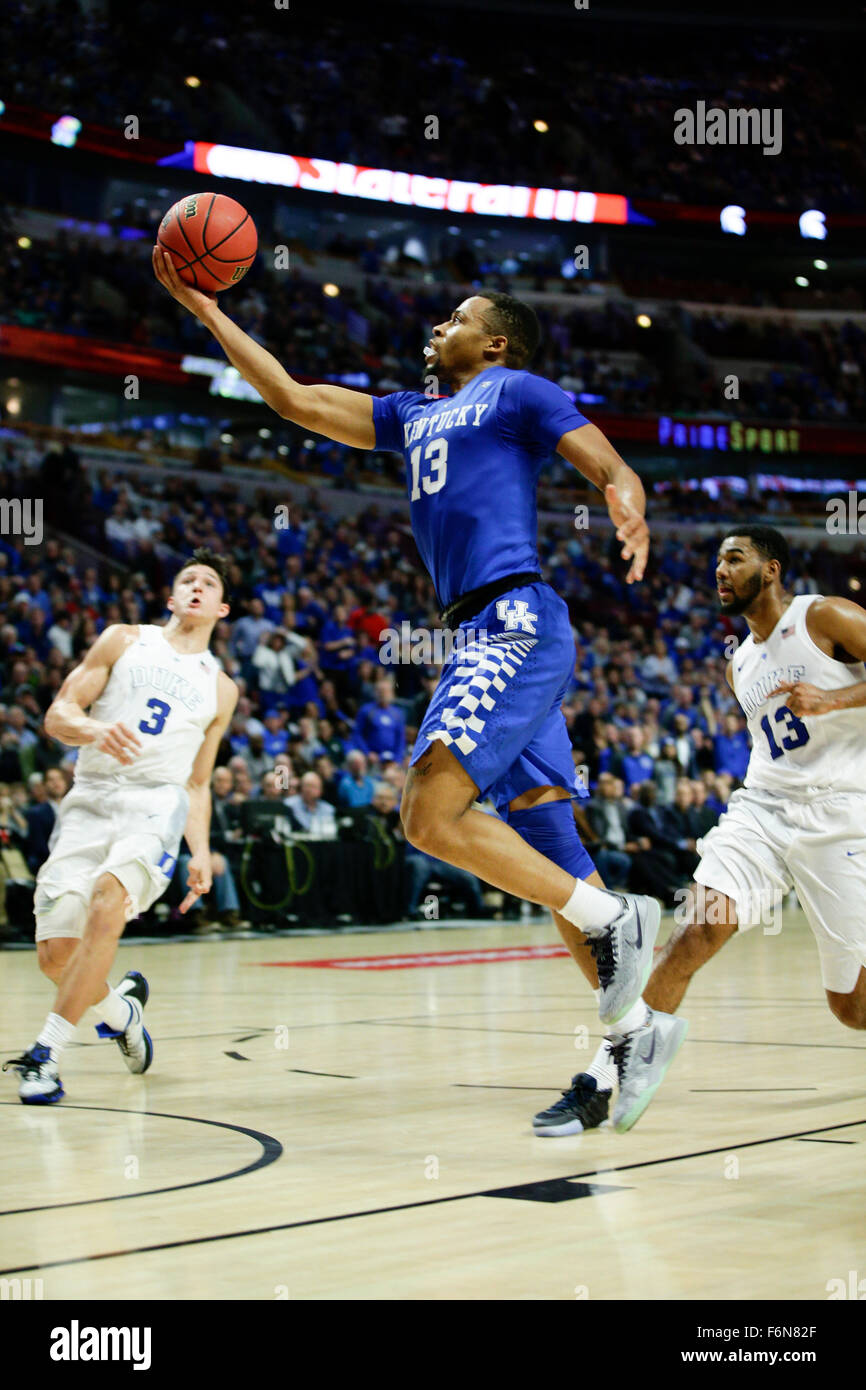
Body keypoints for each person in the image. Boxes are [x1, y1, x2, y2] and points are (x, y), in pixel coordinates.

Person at [153, 256, 685, 1130]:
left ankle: (612, 918)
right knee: (551, 844)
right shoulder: (410, 413)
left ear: (497, 340)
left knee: (428, 816)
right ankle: (629, 1036)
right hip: (480, 631)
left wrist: (627, 502)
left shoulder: (516, 389)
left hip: (514, 617)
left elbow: (606, 464)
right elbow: (291, 397)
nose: (438, 326)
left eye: (456, 317)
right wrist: (206, 311)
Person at [563, 524, 866, 1132]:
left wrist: (835, 701)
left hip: (841, 815)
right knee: (693, 932)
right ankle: (605, 1076)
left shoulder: (825, 617)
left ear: (772, 568)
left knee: (852, 1009)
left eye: (735, 558)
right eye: (716, 562)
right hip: (765, 809)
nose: (720, 571)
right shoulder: (740, 665)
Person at [3, 548, 238, 1104]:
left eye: (208, 583)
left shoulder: (220, 687)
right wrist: (94, 730)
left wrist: (199, 851)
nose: (197, 587)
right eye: (188, 579)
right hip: (90, 799)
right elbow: (58, 713)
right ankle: (122, 1012)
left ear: (222, 609)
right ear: (171, 598)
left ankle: (45, 1056)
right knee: (57, 954)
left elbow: (198, 782)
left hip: (153, 805)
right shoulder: (123, 639)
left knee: (109, 903)